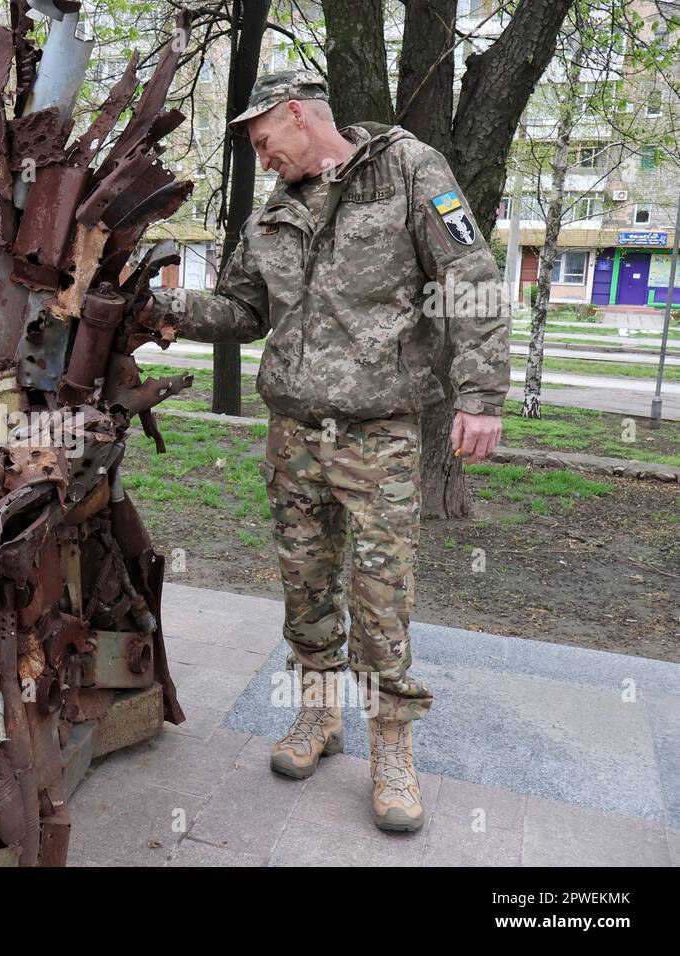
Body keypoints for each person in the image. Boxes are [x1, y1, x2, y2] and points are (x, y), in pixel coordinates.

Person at [147, 70, 510, 831]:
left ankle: (392, 750)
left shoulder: (409, 170)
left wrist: (480, 396)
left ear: (299, 113)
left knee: (382, 603)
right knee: (307, 589)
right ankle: (317, 717)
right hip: (295, 436)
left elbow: (469, 277)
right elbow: (242, 310)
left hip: (379, 435)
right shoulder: (274, 216)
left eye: (262, 140)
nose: (261, 157)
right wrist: (161, 306)